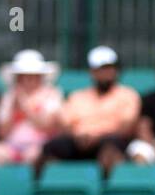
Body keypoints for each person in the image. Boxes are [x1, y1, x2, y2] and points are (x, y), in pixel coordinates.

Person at [40, 45, 140, 174]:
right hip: (78, 141)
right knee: (51, 148)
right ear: (92, 72)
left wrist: (96, 137)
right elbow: (64, 125)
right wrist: (79, 137)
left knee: (111, 148)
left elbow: (126, 128)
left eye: (109, 69)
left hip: (109, 140)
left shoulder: (128, 95)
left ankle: (106, 190)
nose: (105, 74)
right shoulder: (77, 96)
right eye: (100, 70)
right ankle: (54, 188)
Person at [0, 49, 62, 166]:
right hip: (12, 146)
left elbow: (49, 125)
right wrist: (13, 110)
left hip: (41, 146)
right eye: (24, 76)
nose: (28, 80)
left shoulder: (52, 94)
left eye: (32, 75)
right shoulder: (9, 96)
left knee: (33, 155)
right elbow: (2, 132)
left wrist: (25, 108)